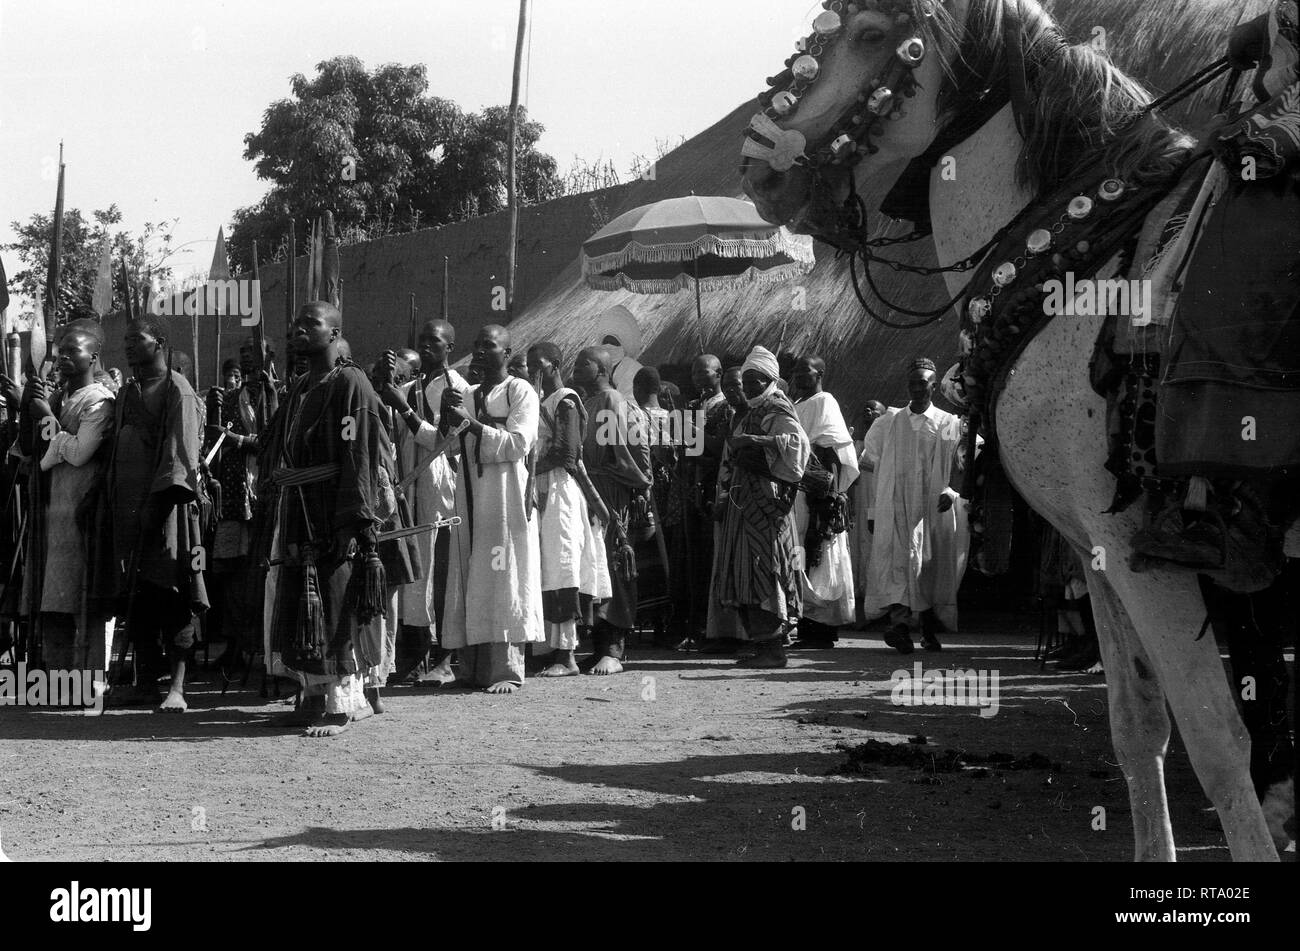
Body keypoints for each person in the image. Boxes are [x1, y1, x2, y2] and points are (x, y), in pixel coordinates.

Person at [380, 325, 543, 693]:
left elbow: (518, 444)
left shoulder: (520, 390)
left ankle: (506, 670)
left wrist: (469, 424)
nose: (481, 352)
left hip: (504, 499)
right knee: (470, 575)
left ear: (507, 352)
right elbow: (445, 446)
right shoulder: (466, 394)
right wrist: (443, 420)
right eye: (478, 345)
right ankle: (470, 667)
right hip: (468, 500)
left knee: (504, 575)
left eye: (490, 346)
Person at [265, 302, 389, 736]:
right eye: (295, 323)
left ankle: (344, 703)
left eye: (310, 324)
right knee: (305, 599)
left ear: (334, 332)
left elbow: (358, 455)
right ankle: (312, 695)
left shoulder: (351, 383)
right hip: (299, 503)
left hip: (331, 507)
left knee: (335, 599)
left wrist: (352, 520)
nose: (298, 330)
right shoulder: (300, 386)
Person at [5, 323, 115, 704]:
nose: (63, 358)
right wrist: (30, 409)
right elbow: (32, 451)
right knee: (51, 600)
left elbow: (81, 451)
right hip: (52, 513)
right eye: (60, 352)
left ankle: (87, 687)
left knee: (80, 601)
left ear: (93, 357)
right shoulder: (59, 397)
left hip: (80, 512)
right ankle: (57, 683)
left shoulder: (99, 400)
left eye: (73, 351)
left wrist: (47, 416)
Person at [108, 315, 207, 711]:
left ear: (160, 342)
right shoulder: (126, 393)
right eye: (127, 340)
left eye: (138, 339)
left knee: (174, 593)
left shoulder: (177, 390)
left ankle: (177, 689)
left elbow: (180, 455)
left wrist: (156, 505)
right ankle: (144, 683)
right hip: (129, 512)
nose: (130, 346)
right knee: (141, 594)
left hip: (170, 510)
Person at [862, 358, 973, 653]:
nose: (917, 389)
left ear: (934, 386)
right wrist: (875, 510)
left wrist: (952, 490)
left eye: (923, 383)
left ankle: (927, 630)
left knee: (929, 564)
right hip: (896, 507)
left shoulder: (948, 423)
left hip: (932, 507)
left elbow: (964, 459)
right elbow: (873, 462)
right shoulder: (890, 421)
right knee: (900, 561)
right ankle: (899, 626)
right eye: (912, 383)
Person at [710, 346, 809, 668]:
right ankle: (760, 644)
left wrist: (758, 443)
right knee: (743, 570)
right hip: (744, 503)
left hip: (767, 506)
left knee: (764, 569)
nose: (751, 386)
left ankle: (773, 648)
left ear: (770, 380)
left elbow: (797, 450)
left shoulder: (777, 406)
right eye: (748, 380)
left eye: (756, 380)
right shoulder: (751, 410)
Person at [389, 320, 469, 686]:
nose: (425, 347)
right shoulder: (406, 387)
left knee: (439, 569)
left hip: (439, 485)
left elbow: (447, 442)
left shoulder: (459, 388)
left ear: (449, 347)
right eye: (421, 341)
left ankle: (445, 658)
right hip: (408, 484)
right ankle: (416, 654)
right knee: (413, 572)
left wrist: (405, 411)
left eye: (434, 342)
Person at [527, 342, 612, 676]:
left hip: (561, 488)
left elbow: (567, 452)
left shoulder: (566, 400)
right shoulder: (538, 401)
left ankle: (567, 655)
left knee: (563, 567)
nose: (534, 371)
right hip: (541, 489)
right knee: (546, 566)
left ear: (555, 365)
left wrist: (531, 467)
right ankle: (548, 649)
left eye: (540, 364)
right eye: (530, 364)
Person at [573, 345, 652, 674]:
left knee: (616, 565)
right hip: (588, 491)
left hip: (610, 494)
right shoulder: (586, 401)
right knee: (594, 568)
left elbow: (632, 452)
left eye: (582, 364)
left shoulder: (612, 401)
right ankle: (599, 643)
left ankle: (614, 648)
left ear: (600, 368)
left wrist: (639, 486)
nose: (575, 369)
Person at [206, 337, 277, 677]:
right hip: (235, 496)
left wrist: (238, 440)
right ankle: (234, 647)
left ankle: (264, 649)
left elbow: (272, 442)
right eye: (244, 351)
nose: (248, 356)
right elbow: (215, 443)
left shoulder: (278, 395)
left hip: (266, 494)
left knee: (263, 571)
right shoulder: (230, 398)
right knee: (233, 576)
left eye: (255, 351)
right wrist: (213, 416)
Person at [789, 356, 859, 648]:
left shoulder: (824, 401)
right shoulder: (796, 404)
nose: (799, 375)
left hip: (817, 491)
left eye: (806, 369)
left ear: (820, 372)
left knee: (820, 553)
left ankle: (822, 628)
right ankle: (807, 625)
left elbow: (832, 448)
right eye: (796, 371)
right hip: (799, 488)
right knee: (802, 554)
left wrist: (828, 492)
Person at [678, 355, 728, 648]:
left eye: (703, 371)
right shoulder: (694, 407)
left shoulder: (725, 407)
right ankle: (695, 627)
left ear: (718, 373)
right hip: (690, 487)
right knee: (693, 560)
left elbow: (715, 450)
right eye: (694, 371)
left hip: (712, 487)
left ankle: (712, 630)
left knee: (711, 557)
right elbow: (686, 450)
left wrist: (691, 435)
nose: (697, 376)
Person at [849, 400, 892, 626]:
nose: (867, 411)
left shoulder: (887, 442)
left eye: (873, 408)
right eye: (864, 407)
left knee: (873, 552)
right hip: (857, 504)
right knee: (857, 552)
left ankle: (876, 611)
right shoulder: (855, 441)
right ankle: (858, 610)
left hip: (876, 504)